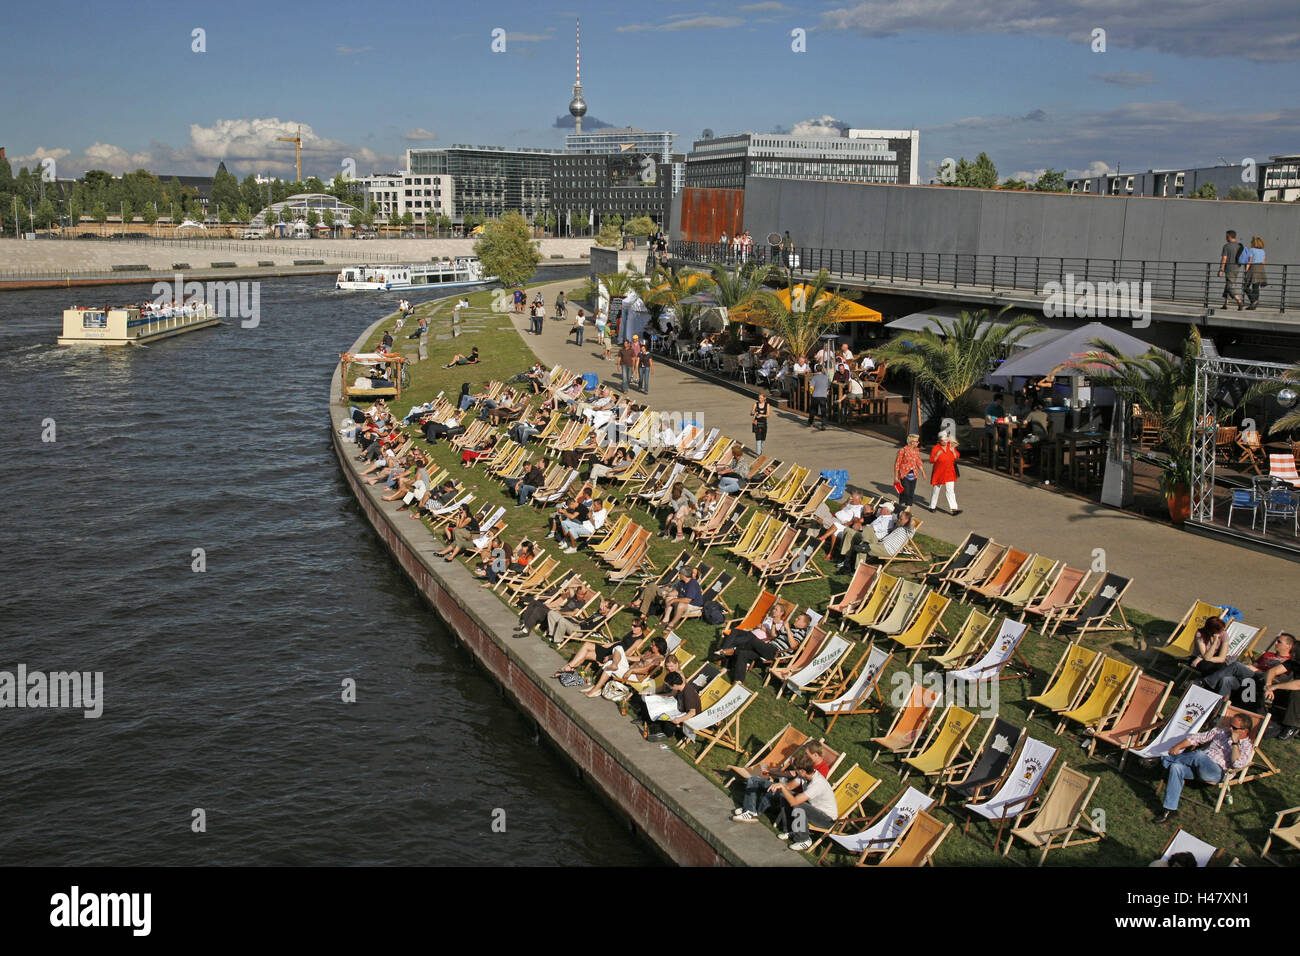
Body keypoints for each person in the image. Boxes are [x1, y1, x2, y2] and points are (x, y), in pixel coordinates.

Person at [1154, 713, 1255, 822]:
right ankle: (1170, 810)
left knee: (1199, 755)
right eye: (1230, 725)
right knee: (1176, 767)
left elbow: (1237, 765)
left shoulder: (1247, 746)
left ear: (1244, 731)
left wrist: (1235, 743)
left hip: (1217, 773)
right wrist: (1177, 746)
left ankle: (1161, 760)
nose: (1230, 728)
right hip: (1199, 765)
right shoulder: (1221, 732)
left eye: (1234, 728)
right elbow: (1197, 738)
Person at [734, 751, 834, 851]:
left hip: (826, 819)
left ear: (803, 771)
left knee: (798, 804)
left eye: (796, 770)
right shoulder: (804, 776)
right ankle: (750, 811)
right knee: (757, 781)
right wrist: (777, 786)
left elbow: (794, 802)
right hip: (812, 809)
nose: (795, 772)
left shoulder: (817, 784)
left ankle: (804, 839)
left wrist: (782, 787)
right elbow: (788, 787)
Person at [1201, 633, 1294, 699]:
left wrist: (1256, 670)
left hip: (1263, 682)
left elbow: (1279, 680)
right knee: (1226, 680)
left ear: (1288, 646)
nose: (1275, 643)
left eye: (1279, 642)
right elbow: (1252, 666)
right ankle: (1218, 710)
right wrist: (1250, 668)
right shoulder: (1267, 655)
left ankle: (1204, 683)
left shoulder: (1288, 662)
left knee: (1236, 665)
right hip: (1249, 678)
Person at [928, 431, 962, 515]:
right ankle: (932, 506)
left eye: (946, 440)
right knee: (936, 490)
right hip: (939, 472)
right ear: (939, 440)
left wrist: (953, 451)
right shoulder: (936, 448)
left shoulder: (950, 446)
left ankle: (954, 509)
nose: (945, 442)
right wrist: (936, 456)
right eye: (943, 440)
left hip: (949, 472)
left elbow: (957, 456)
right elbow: (931, 460)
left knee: (950, 490)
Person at [1218, 229, 1246, 311]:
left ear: (1229, 236)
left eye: (1226, 236)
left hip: (1229, 268)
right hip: (1237, 268)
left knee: (1230, 286)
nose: (1225, 238)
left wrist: (1221, 269)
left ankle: (1239, 300)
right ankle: (1226, 304)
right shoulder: (1239, 246)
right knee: (1228, 284)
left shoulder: (1226, 246)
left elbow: (1224, 258)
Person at [894, 433, 924, 508]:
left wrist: (923, 472)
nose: (918, 443)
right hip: (904, 474)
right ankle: (902, 501)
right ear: (912, 442)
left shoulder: (916, 450)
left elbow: (918, 461)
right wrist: (896, 477)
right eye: (917, 441)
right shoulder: (902, 450)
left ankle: (908, 507)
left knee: (911, 491)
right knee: (906, 491)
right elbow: (897, 464)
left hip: (914, 474)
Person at [1243, 236, 1267, 310]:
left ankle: (1254, 301)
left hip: (1253, 268)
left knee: (1245, 286)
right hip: (1261, 268)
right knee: (1256, 287)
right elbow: (1263, 262)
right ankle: (1253, 305)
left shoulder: (1252, 250)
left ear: (1254, 243)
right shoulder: (1262, 251)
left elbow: (1250, 261)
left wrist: (1246, 270)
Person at [807, 365, 830, 429]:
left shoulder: (814, 377)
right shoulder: (826, 377)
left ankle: (810, 422)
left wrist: (811, 393)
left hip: (815, 395)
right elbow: (828, 386)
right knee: (823, 411)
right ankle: (823, 424)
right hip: (823, 396)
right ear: (822, 369)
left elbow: (811, 387)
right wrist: (827, 391)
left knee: (813, 410)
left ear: (816, 370)